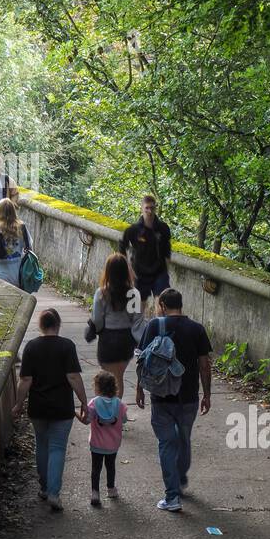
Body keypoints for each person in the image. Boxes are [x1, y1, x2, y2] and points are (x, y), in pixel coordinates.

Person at [134, 287, 212, 512]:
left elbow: (143, 361)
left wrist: (139, 389)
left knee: (167, 443)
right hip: (188, 397)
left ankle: (172, 497)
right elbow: (204, 365)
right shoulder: (197, 329)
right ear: (181, 304)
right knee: (184, 438)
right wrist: (206, 394)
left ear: (162, 306)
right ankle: (180, 480)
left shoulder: (154, 326)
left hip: (161, 396)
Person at [13, 308, 88, 512]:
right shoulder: (67, 346)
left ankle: (45, 488)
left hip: (38, 407)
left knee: (42, 445)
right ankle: (54, 493)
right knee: (57, 448)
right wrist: (83, 400)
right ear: (58, 325)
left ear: (41, 325)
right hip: (62, 408)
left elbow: (25, 380)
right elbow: (73, 377)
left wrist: (19, 404)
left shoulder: (31, 347)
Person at [89, 252, 144, 398]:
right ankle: (116, 411)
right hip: (126, 340)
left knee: (107, 378)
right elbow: (136, 320)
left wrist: (97, 330)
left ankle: (105, 411)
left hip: (108, 339)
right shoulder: (133, 293)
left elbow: (97, 319)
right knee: (119, 377)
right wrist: (140, 341)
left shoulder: (102, 293)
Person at [119, 194, 173, 310]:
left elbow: (167, 250)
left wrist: (166, 270)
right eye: (147, 208)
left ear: (155, 209)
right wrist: (129, 270)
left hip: (159, 272)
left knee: (162, 308)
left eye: (152, 208)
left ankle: (159, 327)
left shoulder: (163, 228)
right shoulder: (133, 230)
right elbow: (122, 248)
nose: (149, 211)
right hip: (139, 274)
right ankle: (136, 328)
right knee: (135, 311)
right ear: (142, 209)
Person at [87, 370, 127, 508]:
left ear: (97, 387)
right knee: (110, 466)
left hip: (97, 443)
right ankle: (111, 489)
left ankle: (95, 493)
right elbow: (125, 420)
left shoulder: (93, 403)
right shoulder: (119, 404)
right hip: (113, 444)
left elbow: (87, 419)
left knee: (95, 468)